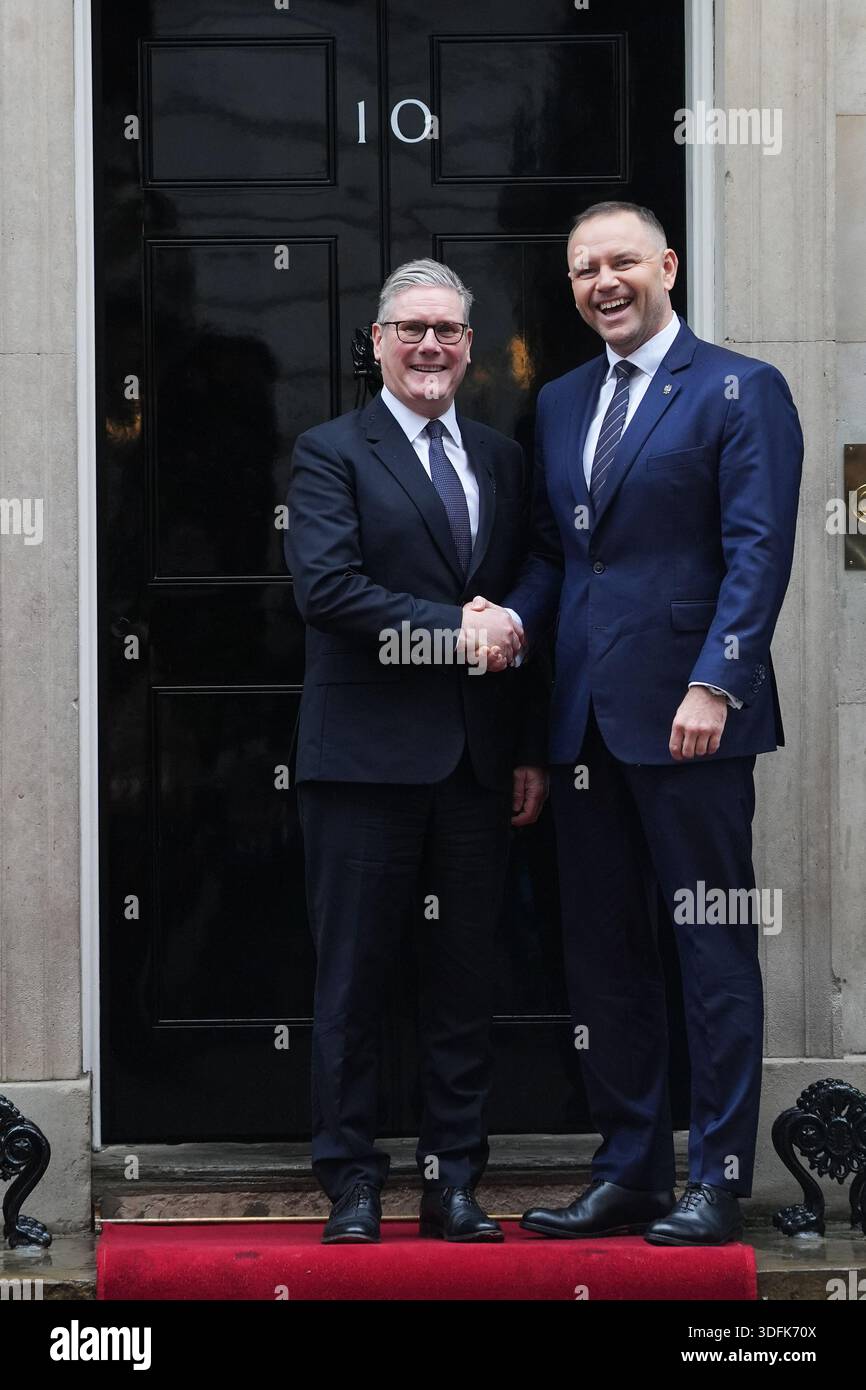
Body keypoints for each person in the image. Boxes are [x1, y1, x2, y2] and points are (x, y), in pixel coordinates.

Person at [488, 201, 803, 1245]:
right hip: (582, 725)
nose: (602, 282)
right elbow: (557, 560)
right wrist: (506, 637)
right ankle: (626, 1168)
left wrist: (715, 682)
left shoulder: (739, 387)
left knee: (709, 949)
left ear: (665, 265)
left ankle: (716, 1178)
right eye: (583, 269)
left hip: (691, 724)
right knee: (605, 959)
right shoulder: (563, 401)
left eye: (621, 261)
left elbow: (755, 553)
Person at [285, 258, 547, 1244]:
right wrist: (456, 630)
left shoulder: (498, 457)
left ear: (470, 347)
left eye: (446, 329)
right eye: (410, 329)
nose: (429, 345)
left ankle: (451, 1183)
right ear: (377, 343)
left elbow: (519, 597)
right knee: (350, 982)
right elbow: (329, 591)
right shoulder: (327, 452)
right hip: (360, 764)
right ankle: (350, 1182)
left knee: (461, 982)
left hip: (475, 767)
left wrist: (523, 747)